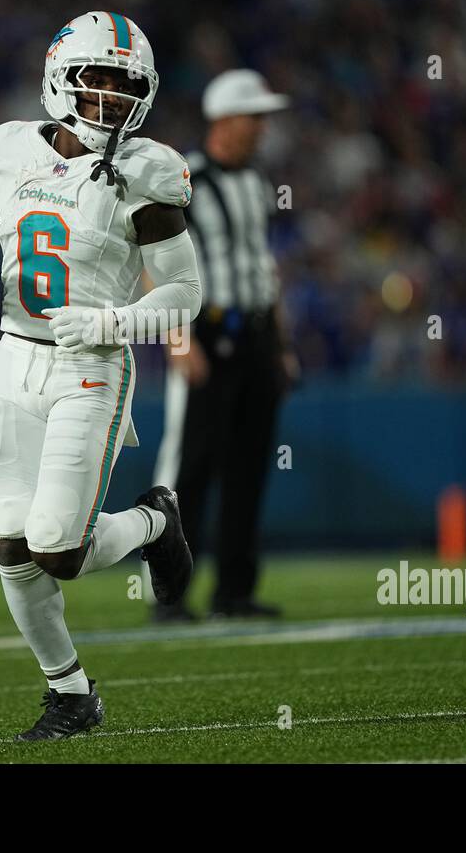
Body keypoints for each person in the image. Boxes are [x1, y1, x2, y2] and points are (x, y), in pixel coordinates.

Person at [0, 11, 201, 740]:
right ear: (58, 78)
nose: (109, 97)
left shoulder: (149, 170)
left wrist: (114, 322)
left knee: (58, 549)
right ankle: (71, 694)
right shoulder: (8, 148)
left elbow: (185, 296)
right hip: (14, 360)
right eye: (95, 79)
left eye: (124, 84)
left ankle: (153, 524)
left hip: (92, 366)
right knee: (11, 543)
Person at [150, 69, 299, 621]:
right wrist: (178, 339)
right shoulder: (182, 178)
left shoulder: (255, 182)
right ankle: (170, 593)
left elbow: (264, 267)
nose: (262, 128)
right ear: (227, 119)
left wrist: (281, 343)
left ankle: (233, 590)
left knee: (250, 465)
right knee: (191, 465)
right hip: (205, 330)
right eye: (255, 116)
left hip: (255, 331)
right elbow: (154, 261)